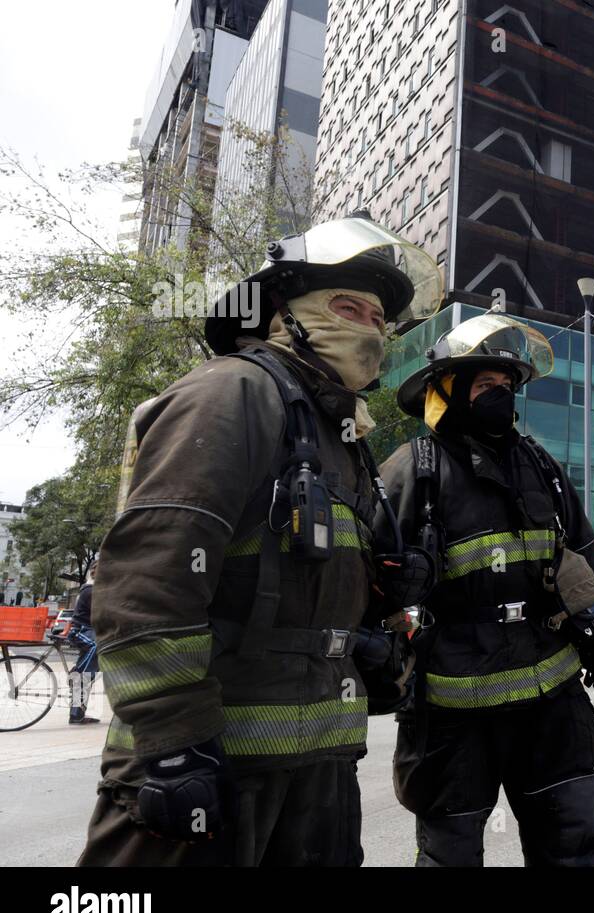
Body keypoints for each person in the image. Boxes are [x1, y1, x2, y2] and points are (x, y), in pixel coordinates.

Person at [78, 213, 441, 866]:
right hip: (208, 767)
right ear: (284, 312)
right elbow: (147, 576)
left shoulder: (341, 436)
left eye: (379, 319)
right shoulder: (234, 392)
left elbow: (303, 582)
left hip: (318, 772)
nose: (369, 328)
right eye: (348, 306)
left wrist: (370, 637)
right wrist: (173, 738)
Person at [375, 312, 594, 867]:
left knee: (575, 846)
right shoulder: (411, 473)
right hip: (453, 716)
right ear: (449, 391)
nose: (501, 396)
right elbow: (368, 583)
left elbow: (581, 562)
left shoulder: (541, 467)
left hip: (552, 706)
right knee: (450, 858)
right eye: (486, 385)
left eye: (508, 387)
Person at [68, 562, 99, 725]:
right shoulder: (90, 590)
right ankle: (77, 675)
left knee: (90, 672)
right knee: (94, 649)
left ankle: (77, 714)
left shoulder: (91, 589)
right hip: (81, 631)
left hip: (86, 631)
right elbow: (102, 613)